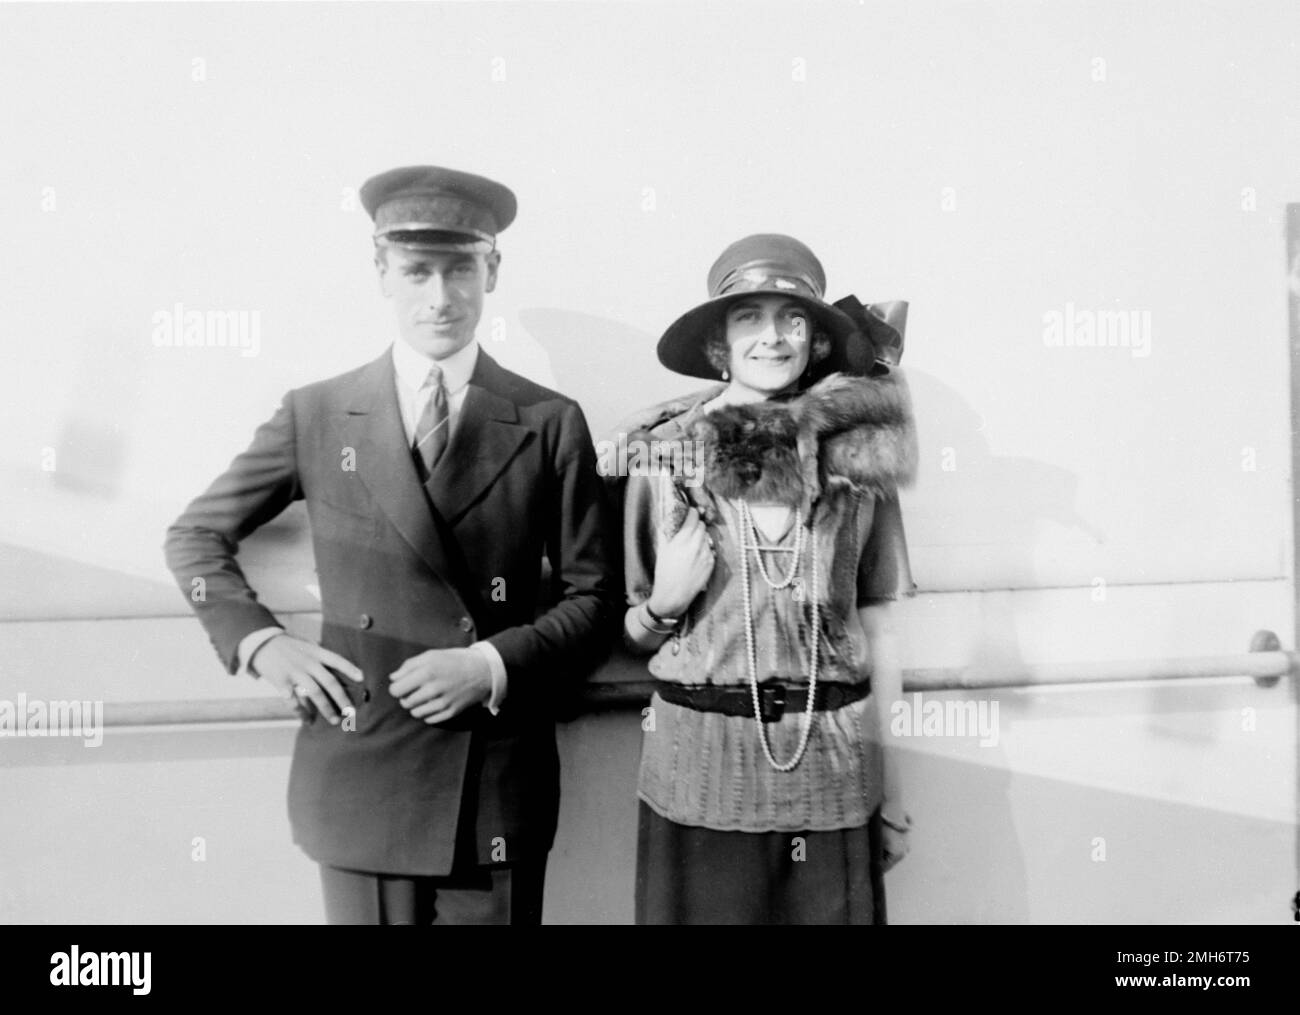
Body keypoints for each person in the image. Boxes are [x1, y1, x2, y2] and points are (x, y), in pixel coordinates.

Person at [164, 165, 617, 925]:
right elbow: (195, 535)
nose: (439, 297)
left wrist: (490, 663)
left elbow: (598, 599)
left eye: (460, 270)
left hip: (493, 780)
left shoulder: (547, 421)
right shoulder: (317, 415)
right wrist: (261, 641)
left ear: (492, 271)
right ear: (382, 273)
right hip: (362, 765)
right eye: (416, 271)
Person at [618, 233, 918, 924]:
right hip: (697, 772)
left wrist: (893, 790)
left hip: (832, 773)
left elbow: (879, 629)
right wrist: (664, 603)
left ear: (815, 340)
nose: (772, 337)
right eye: (748, 317)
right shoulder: (666, 456)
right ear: (719, 344)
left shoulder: (858, 457)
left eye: (793, 318)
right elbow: (628, 624)